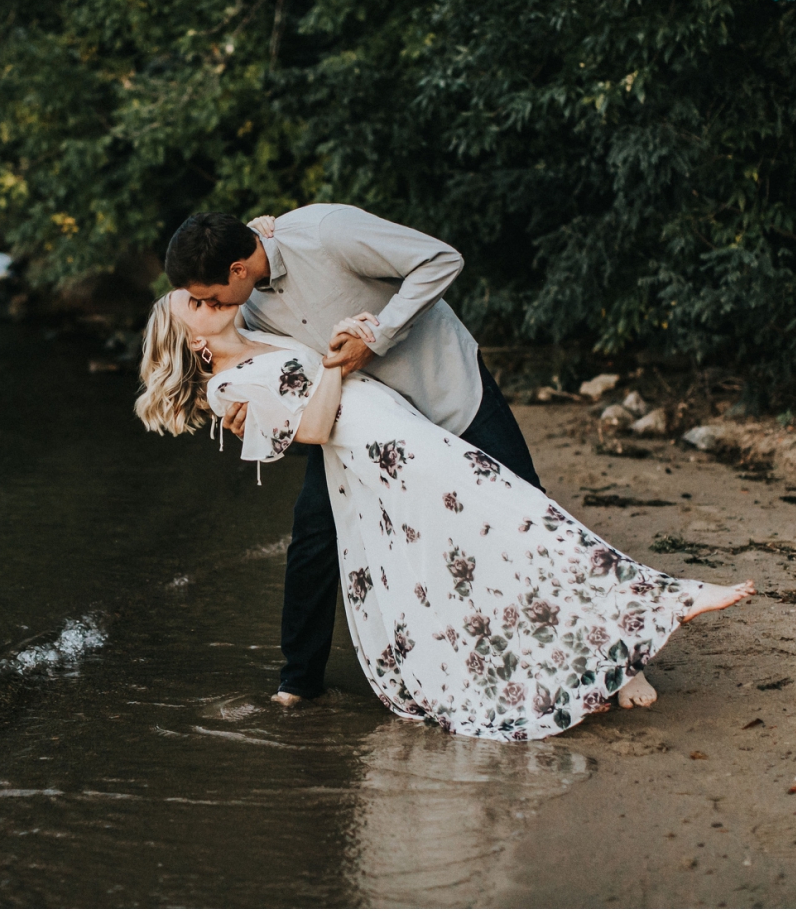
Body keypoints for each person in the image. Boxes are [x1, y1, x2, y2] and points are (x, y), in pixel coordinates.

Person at [134, 290, 753, 741]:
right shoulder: (225, 390)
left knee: (514, 529)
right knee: (515, 527)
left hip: (407, 432)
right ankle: (661, 606)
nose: (206, 295)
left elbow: (254, 274)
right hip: (386, 457)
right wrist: (328, 363)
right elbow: (317, 426)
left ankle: (619, 647)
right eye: (193, 300)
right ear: (191, 337)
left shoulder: (262, 335)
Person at [163, 206, 544, 706]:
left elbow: (439, 260)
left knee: (529, 511)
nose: (206, 304)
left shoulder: (326, 232)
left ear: (236, 271)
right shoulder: (246, 304)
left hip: (443, 386)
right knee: (314, 536)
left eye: (207, 295)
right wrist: (239, 411)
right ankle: (299, 682)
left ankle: (621, 663)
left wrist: (379, 335)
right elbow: (262, 367)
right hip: (362, 430)